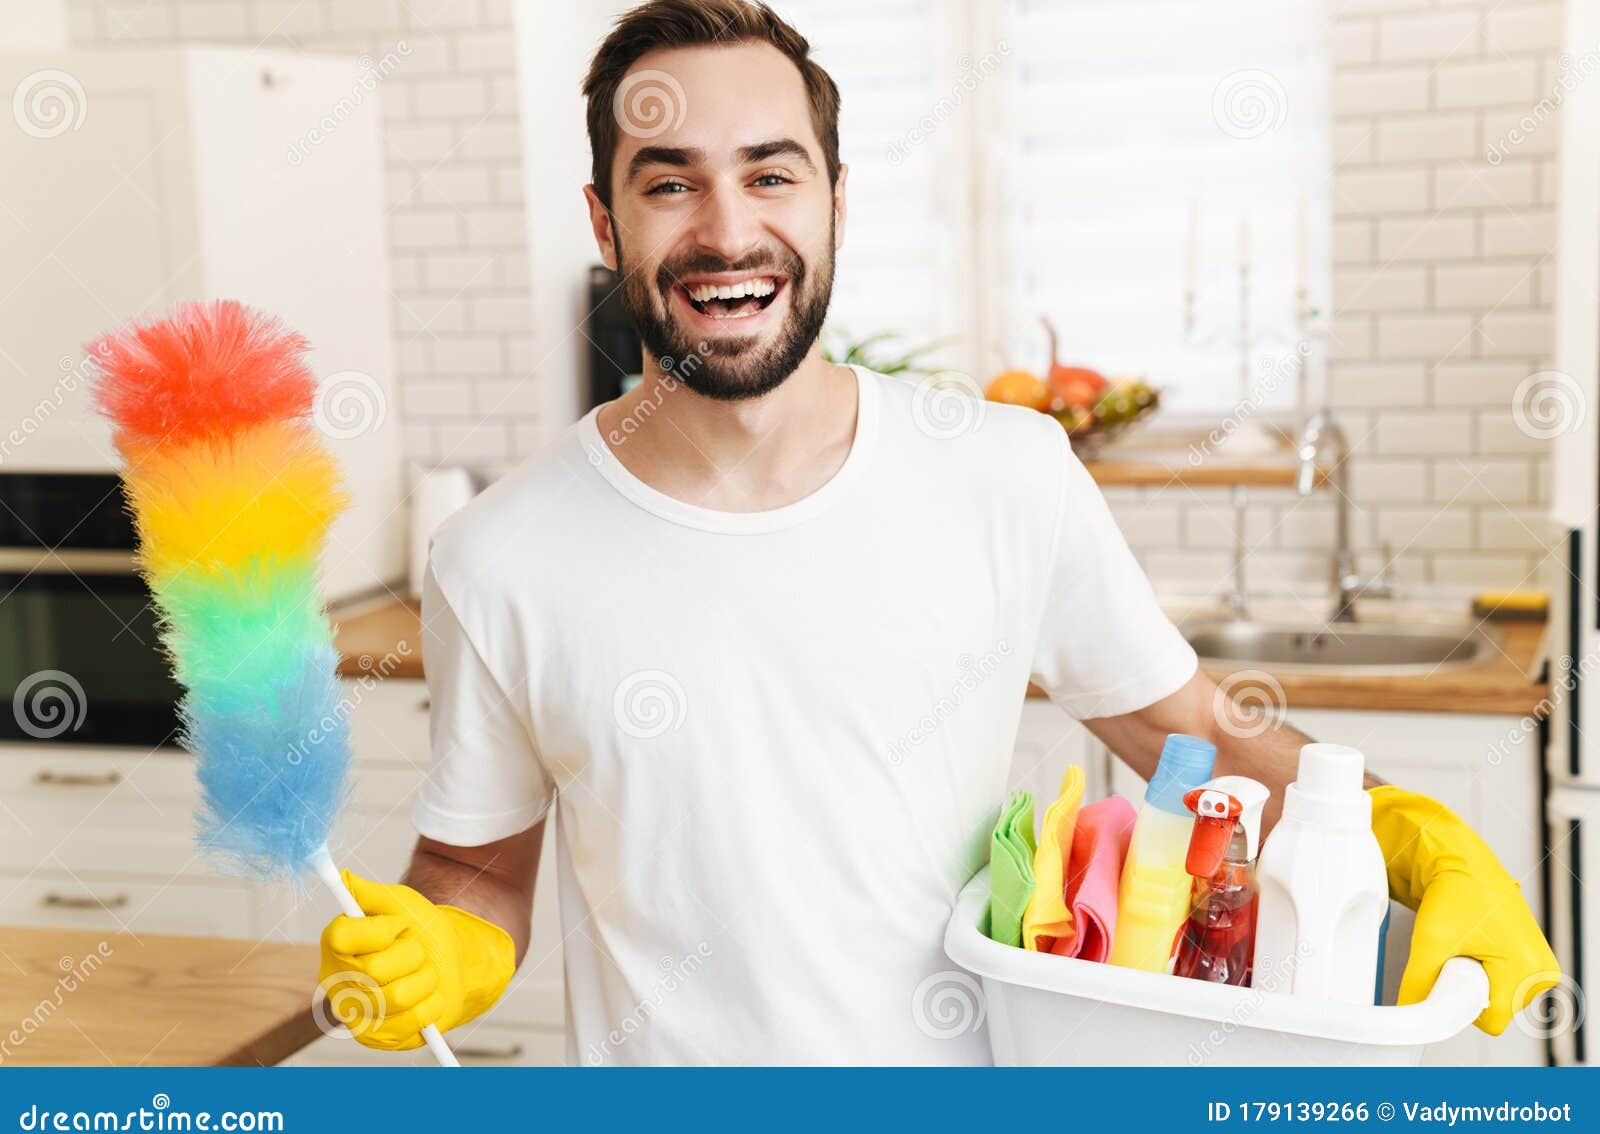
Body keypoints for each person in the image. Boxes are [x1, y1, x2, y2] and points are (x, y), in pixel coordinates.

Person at [320, 0, 1558, 1064]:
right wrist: (446, 940)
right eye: (669, 181)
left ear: (837, 200)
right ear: (605, 223)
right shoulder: (499, 555)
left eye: (770, 173)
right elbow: (478, 870)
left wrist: (1400, 828)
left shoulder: (1002, 472)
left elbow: (1189, 736)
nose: (727, 231)